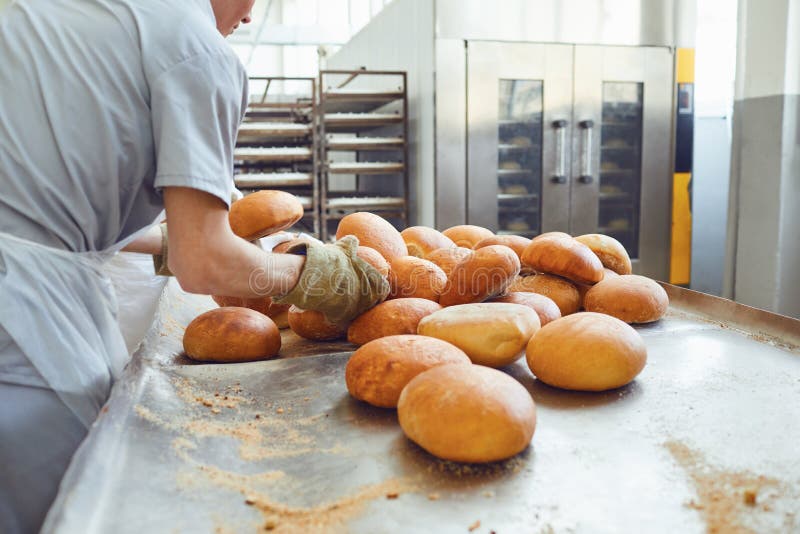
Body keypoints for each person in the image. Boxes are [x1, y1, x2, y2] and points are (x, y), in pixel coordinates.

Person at [0, 1, 386, 532]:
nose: (249, 17)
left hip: (23, 273)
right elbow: (203, 263)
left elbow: (41, 199)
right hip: (19, 317)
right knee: (73, 505)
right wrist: (316, 278)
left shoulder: (66, 14)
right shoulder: (195, 47)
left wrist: (169, 241)